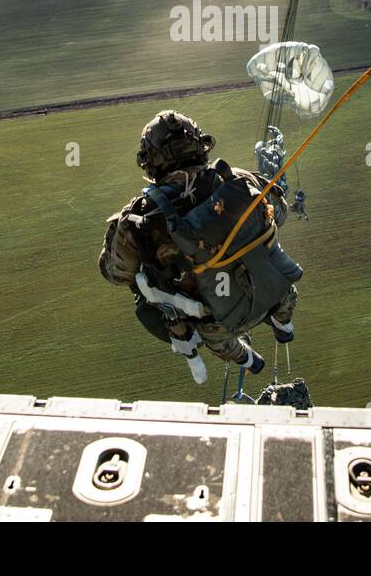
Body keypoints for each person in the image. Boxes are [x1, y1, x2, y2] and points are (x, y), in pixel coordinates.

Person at [100, 110, 301, 382]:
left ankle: (246, 358)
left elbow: (114, 273)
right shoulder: (239, 181)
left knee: (142, 295)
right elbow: (279, 214)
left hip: (219, 324)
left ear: (150, 161)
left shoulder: (137, 219)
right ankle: (283, 324)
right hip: (271, 292)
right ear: (199, 144)